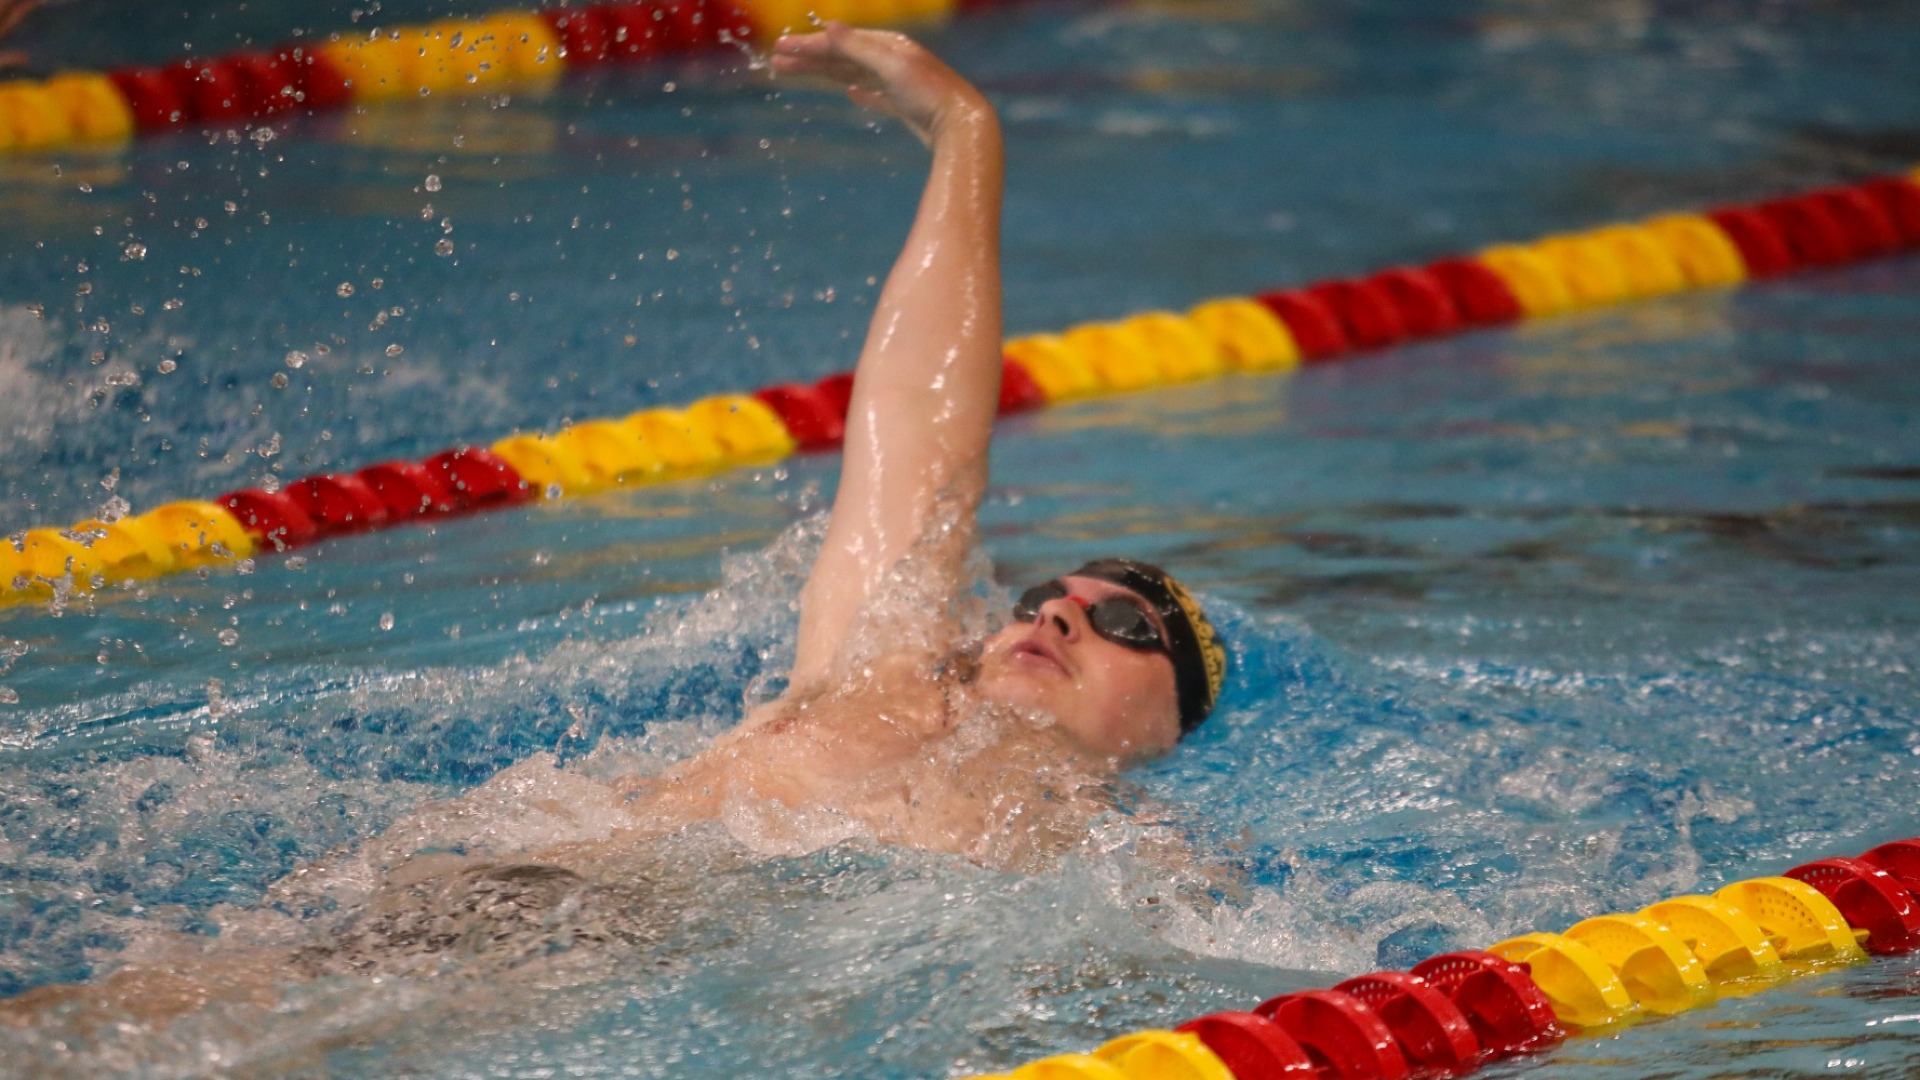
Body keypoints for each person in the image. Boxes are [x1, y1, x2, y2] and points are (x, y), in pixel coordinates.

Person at [1, 23, 1226, 1029]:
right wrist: (970, 132)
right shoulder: (890, 669)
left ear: (1165, 728)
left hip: (634, 992)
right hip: (532, 896)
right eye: (1049, 598)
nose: (1061, 609)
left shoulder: (1132, 855)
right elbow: (924, 426)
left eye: (1123, 623)